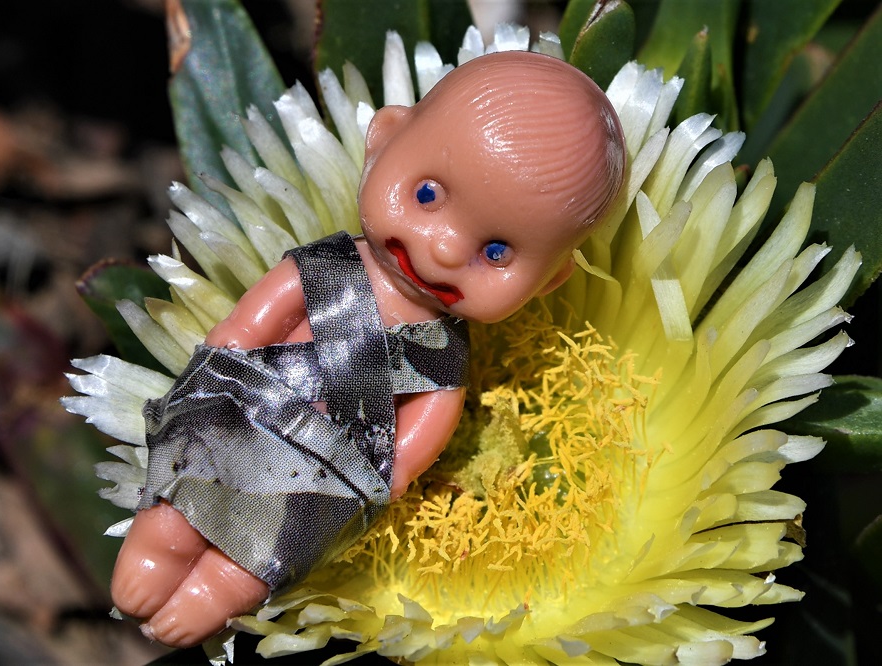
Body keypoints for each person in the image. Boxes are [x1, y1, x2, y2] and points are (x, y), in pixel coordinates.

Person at [110, 50, 626, 648]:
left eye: (495, 253)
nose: (443, 249)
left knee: (272, 545)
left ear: (550, 280)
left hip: (333, 463)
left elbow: (436, 410)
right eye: (428, 195)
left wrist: (398, 467)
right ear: (381, 142)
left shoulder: (440, 348)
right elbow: (267, 309)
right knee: (190, 479)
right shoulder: (331, 262)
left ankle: (217, 590)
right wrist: (233, 343)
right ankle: (158, 544)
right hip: (249, 403)